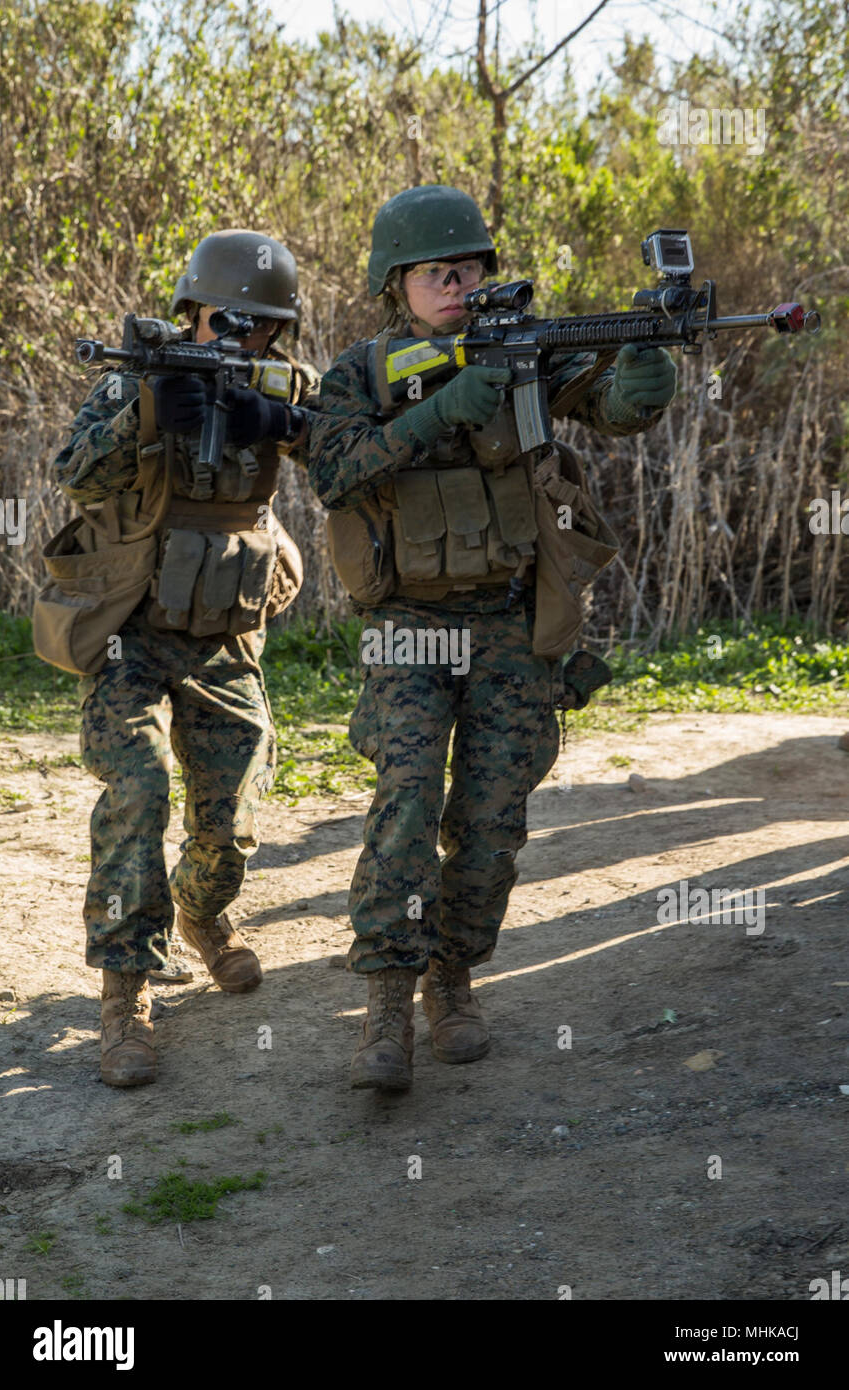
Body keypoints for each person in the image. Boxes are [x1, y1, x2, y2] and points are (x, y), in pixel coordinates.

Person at [308, 184, 676, 1091]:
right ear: (395, 285)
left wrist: (642, 374)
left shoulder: (528, 353)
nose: (459, 285)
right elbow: (333, 470)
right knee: (404, 803)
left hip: (509, 623)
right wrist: (443, 407)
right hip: (408, 625)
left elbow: (610, 404)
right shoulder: (362, 371)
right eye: (439, 273)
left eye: (471, 269)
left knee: (492, 820)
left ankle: (454, 974)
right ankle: (387, 1002)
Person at [51, 229, 318, 1087]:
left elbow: (346, 445)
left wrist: (274, 417)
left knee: (231, 817)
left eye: (260, 328)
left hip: (224, 631)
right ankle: (125, 992)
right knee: (139, 786)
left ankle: (203, 914)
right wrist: (147, 410)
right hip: (131, 623)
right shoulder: (136, 380)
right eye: (224, 322)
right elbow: (74, 474)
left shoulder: (277, 381)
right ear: (190, 313)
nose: (240, 340)